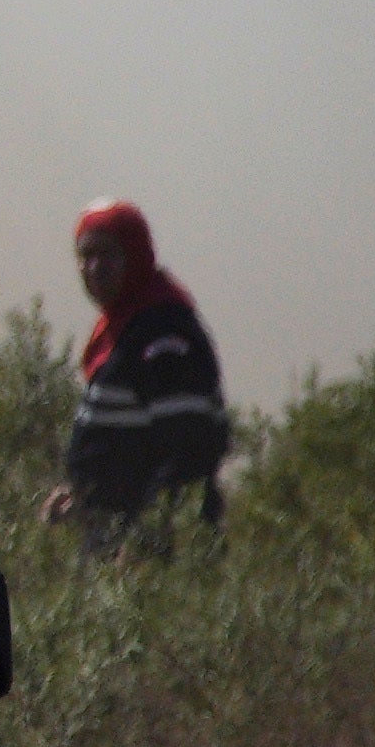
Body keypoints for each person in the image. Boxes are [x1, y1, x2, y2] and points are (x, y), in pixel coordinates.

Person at [43, 200, 230, 545]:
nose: (95, 267)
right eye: (86, 256)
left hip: (156, 553)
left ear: (136, 255)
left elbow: (188, 454)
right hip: (113, 542)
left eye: (109, 254)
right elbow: (123, 443)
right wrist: (80, 494)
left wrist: (147, 541)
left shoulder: (164, 335)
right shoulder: (124, 327)